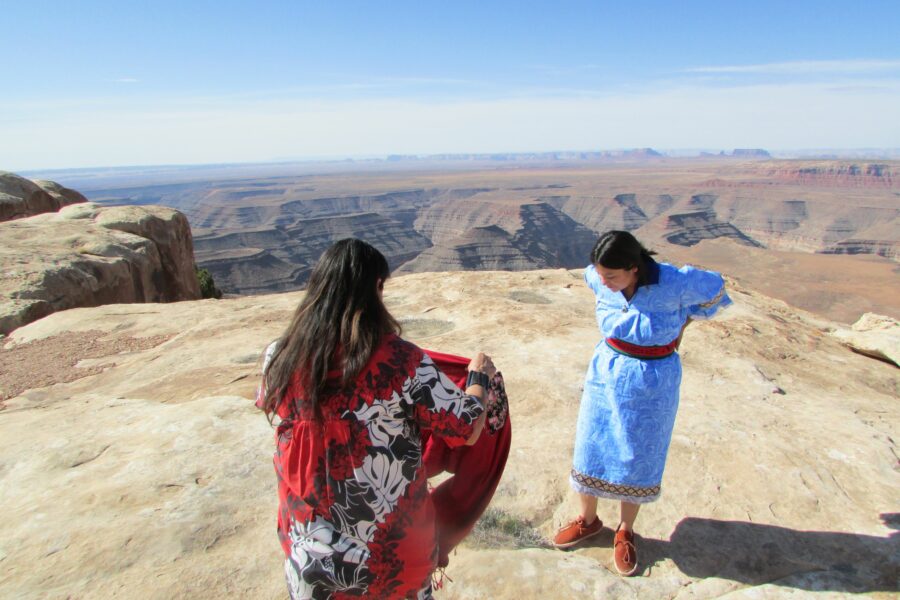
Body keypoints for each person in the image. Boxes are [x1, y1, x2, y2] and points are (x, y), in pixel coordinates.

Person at [257, 238, 494, 599]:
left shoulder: (279, 355)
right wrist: (478, 379)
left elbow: (269, 404)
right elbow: (467, 429)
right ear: (375, 289)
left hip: (310, 553)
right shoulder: (401, 362)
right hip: (390, 558)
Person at [553, 230, 732, 576]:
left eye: (612, 276)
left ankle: (625, 531)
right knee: (591, 446)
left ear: (634, 268)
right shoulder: (596, 276)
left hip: (653, 382)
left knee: (639, 453)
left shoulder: (673, 281)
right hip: (606, 373)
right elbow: (592, 277)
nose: (602, 282)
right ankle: (588, 521)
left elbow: (716, 288)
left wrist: (684, 320)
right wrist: (603, 278)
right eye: (600, 274)